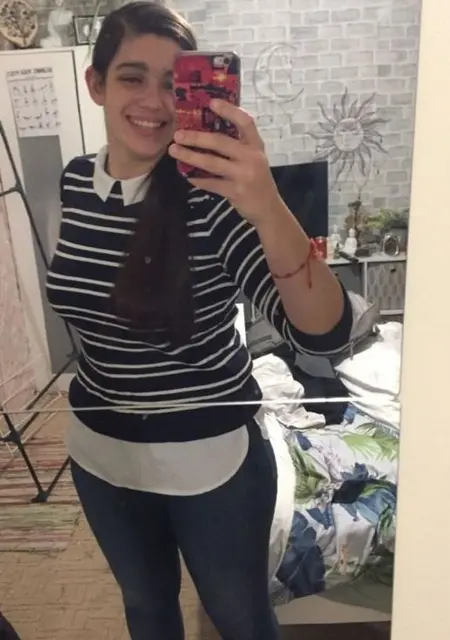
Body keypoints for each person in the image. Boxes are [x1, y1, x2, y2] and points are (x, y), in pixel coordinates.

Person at [46, 2, 366, 638]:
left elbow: (323, 331)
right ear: (96, 84)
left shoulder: (217, 200)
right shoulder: (76, 181)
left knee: (240, 620)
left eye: (175, 83)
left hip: (212, 461)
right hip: (102, 453)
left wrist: (267, 203)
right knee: (146, 609)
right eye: (133, 77)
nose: (154, 101)